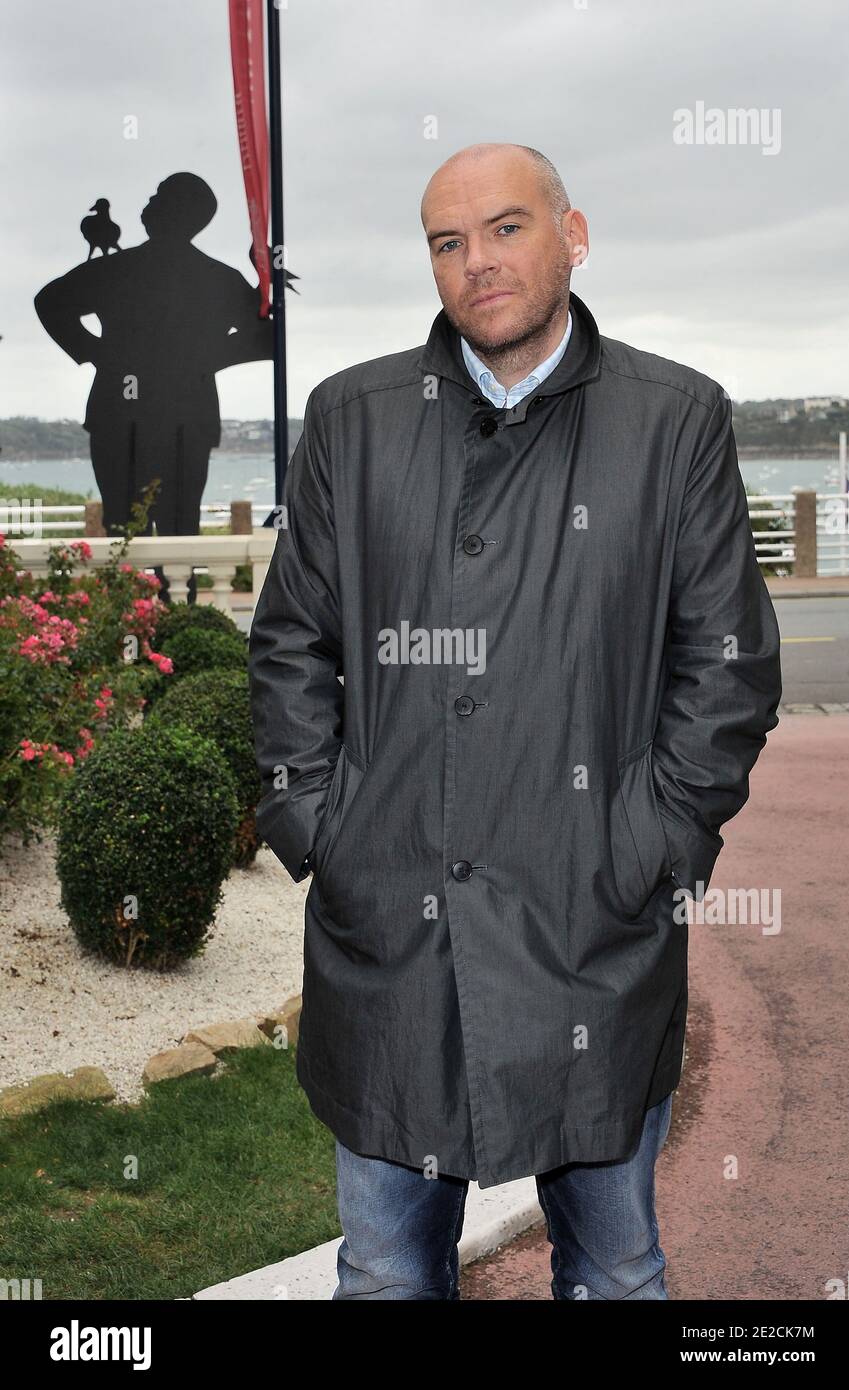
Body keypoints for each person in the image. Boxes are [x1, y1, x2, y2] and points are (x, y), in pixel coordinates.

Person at [247, 142, 783, 1300]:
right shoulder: (354, 417)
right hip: (391, 937)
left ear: (571, 235)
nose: (476, 261)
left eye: (504, 228)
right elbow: (291, 641)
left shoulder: (673, 419)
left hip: (594, 934)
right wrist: (320, 831)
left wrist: (649, 847)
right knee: (387, 1273)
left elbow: (728, 669)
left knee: (616, 1269)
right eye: (447, 241)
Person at [35, 172, 273, 602]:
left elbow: (50, 301)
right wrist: (205, 356)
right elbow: (263, 336)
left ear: (177, 211)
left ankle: (139, 620)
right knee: (171, 527)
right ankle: (169, 619)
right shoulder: (216, 277)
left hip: (133, 412)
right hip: (163, 412)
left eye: (160, 196)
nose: (148, 200)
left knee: (133, 530)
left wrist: (99, 352)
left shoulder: (118, 269)